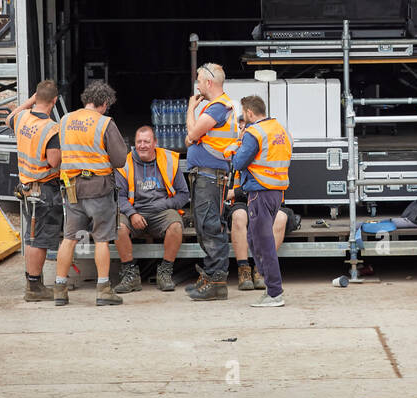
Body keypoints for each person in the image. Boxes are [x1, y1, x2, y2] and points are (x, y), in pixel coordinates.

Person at [54, 81, 129, 306]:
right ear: (104, 103)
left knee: (69, 239)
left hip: (71, 189)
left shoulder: (65, 120)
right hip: (98, 188)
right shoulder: (104, 123)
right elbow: (120, 160)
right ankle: (103, 289)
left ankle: (59, 289)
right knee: (102, 240)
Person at [183, 63, 241, 301]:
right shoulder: (217, 107)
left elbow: (191, 136)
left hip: (209, 176)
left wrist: (190, 109)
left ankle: (217, 280)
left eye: (198, 80)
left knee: (210, 226)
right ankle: (210, 275)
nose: (196, 85)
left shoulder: (217, 108)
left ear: (208, 83)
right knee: (203, 225)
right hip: (206, 175)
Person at [229, 94, 292, 307]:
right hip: (276, 192)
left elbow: (239, 162)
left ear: (248, 112)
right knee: (256, 239)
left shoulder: (253, 132)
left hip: (260, 192)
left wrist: (233, 151)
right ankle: (271, 288)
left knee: (262, 243)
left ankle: (274, 292)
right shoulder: (279, 129)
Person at [113, 126, 189, 294]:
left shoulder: (169, 160)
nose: (142, 145)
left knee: (176, 224)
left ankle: (165, 272)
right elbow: (119, 196)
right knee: (117, 225)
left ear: (155, 143)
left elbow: (184, 194)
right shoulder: (124, 163)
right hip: (133, 212)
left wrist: (162, 205)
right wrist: (132, 214)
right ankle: (130, 274)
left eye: (146, 141)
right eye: (139, 142)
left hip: (161, 212)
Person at [7, 80, 63, 302]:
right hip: (44, 190)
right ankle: (33, 287)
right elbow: (53, 161)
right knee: (38, 239)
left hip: (28, 188)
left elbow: (9, 118)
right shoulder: (51, 128)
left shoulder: (22, 118)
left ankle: (34, 282)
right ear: (55, 101)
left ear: (35, 98)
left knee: (32, 237)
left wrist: (30, 101)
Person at [224, 175, 296, 291]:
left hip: (270, 200)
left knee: (281, 218)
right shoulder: (240, 157)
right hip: (243, 203)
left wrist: (238, 192)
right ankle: (244, 270)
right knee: (238, 216)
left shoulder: (272, 159)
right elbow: (226, 192)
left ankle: (262, 269)